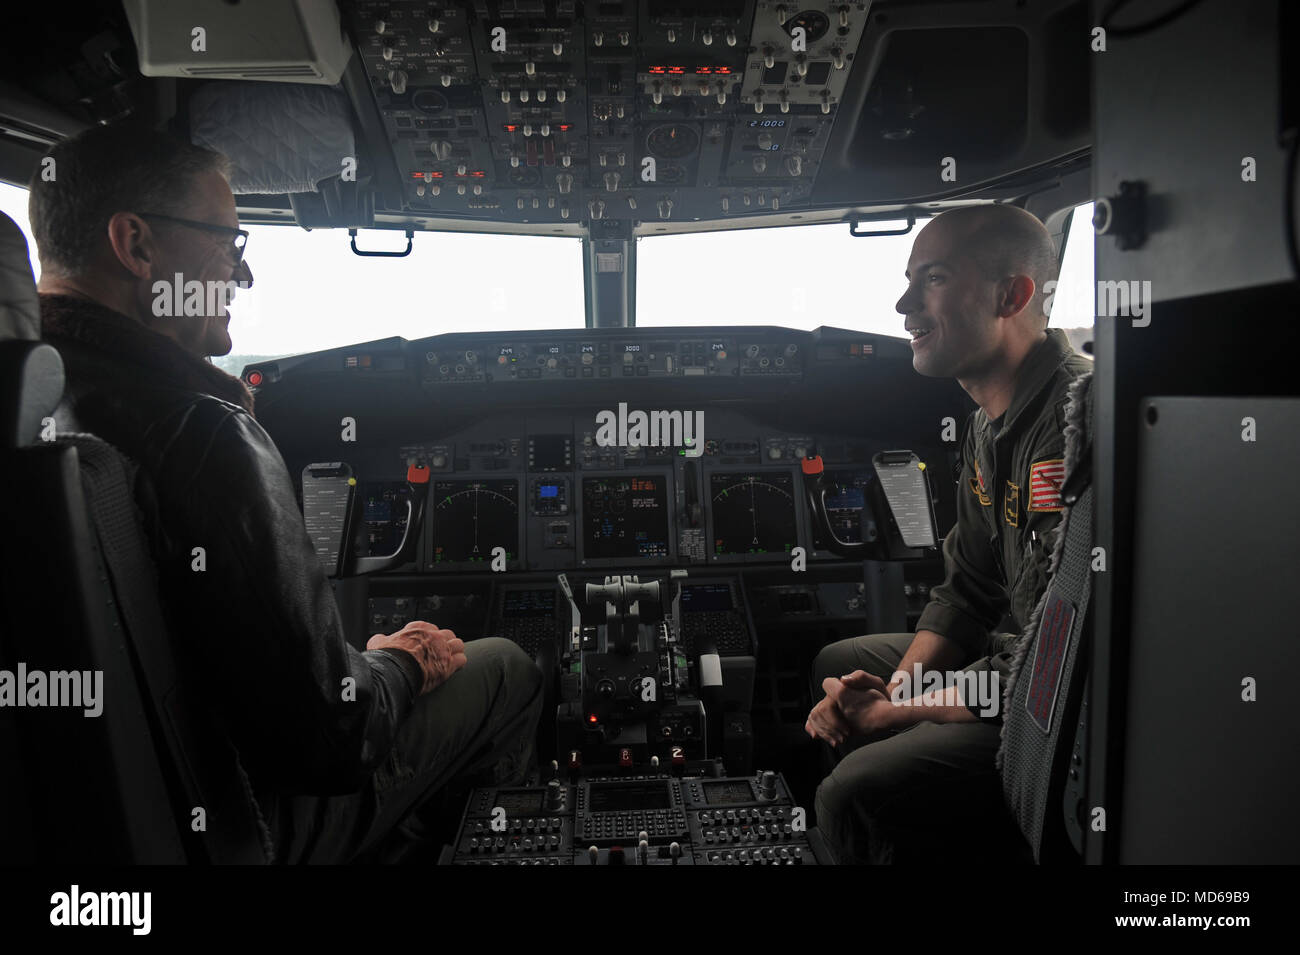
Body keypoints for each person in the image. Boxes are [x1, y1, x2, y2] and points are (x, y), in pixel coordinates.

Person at [29, 121, 543, 863]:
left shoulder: (28, 406)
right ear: (137, 245)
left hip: (85, 818)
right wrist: (401, 658)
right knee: (507, 670)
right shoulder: (201, 430)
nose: (243, 277)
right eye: (229, 242)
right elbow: (335, 738)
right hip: (240, 821)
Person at [805, 204, 1091, 864]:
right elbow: (967, 588)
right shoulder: (991, 422)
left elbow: (1048, 659)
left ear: (1012, 293)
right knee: (838, 662)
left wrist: (892, 715)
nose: (903, 304)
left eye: (931, 278)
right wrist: (896, 693)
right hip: (1017, 663)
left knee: (852, 791)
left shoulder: (1076, 425)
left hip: (1056, 703)